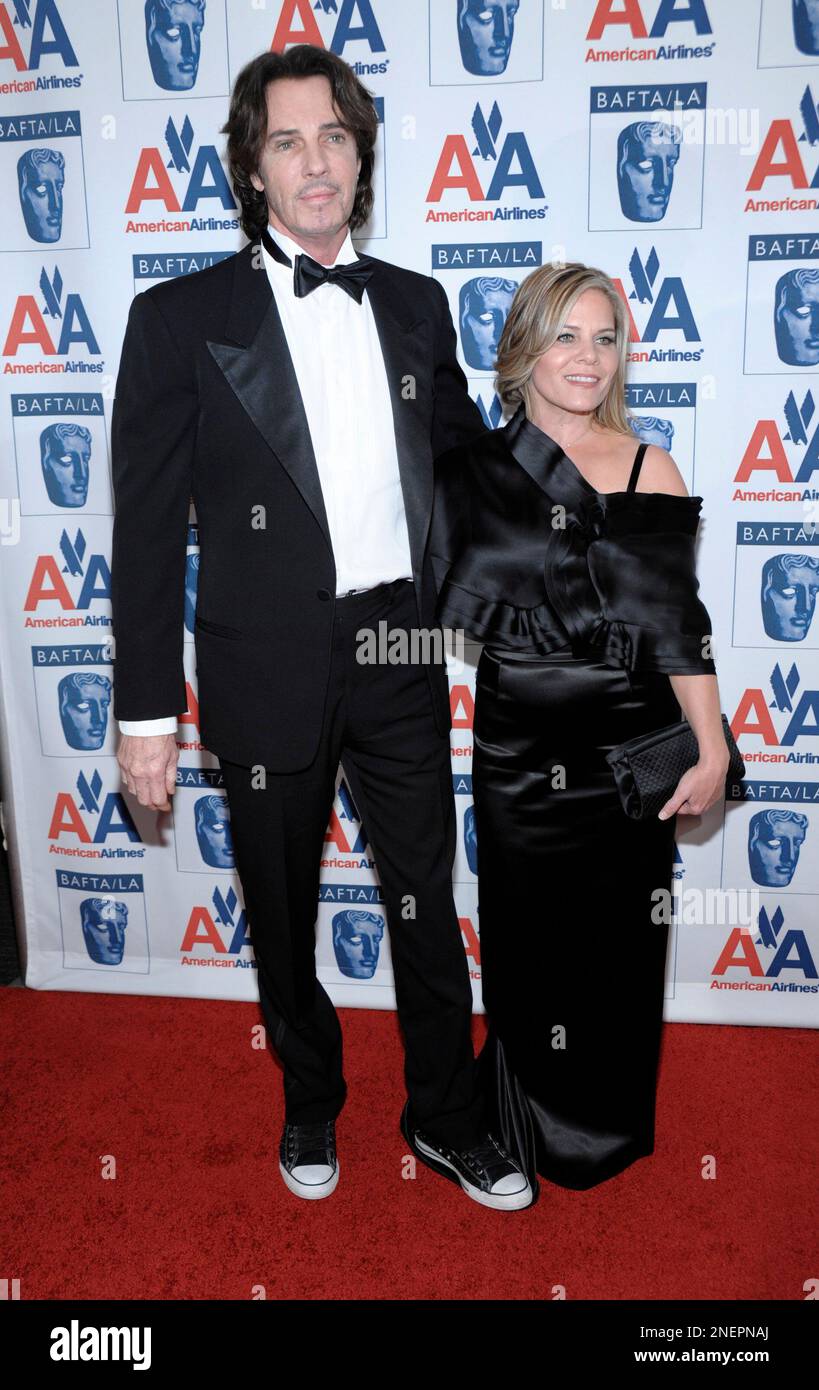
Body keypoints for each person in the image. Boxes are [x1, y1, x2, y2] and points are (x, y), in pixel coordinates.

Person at [110, 44, 533, 1211]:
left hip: (399, 651)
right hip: (261, 667)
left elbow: (465, 470)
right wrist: (145, 714)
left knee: (425, 900)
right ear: (251, 166)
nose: (316, 160)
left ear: (362, 156)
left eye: (336, 136)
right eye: (288, 139)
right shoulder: (179, 319)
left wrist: (571, 475)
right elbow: (144, 536)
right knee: (283, 908)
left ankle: (447, 1112)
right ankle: (309, 1099)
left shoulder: (413, 303)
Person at [430, 262, 730, 1194]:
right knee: (524, 939)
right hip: (517, 746)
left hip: (625, 752)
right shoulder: (467, 468)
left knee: (618, 943)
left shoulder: (650, 465)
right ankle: (520, 1114)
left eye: (604, 338)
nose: (586, 357)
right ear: (523, 345)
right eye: (565, 335)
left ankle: (600, 1122)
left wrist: (712, 743)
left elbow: (675, 628)